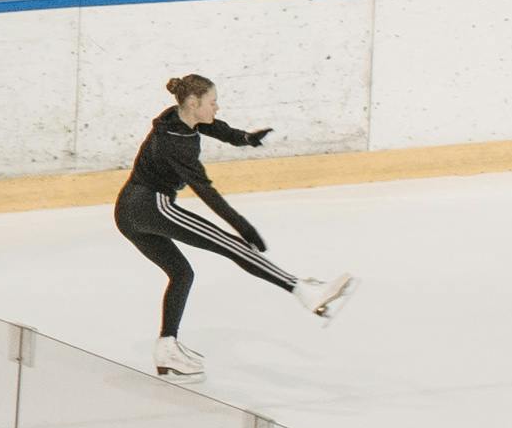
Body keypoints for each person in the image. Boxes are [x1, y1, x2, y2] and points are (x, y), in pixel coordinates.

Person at [117, 76, 352, 380]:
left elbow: (216, 127)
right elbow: (205, 190)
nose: (217, 106)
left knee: (181, 273)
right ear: (193, 103)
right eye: (212, 102)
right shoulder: (174, 143)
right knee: (232, 244)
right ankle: (303, 290)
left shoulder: (180, 119)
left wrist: (246, 139)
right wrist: (242, 226)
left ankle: (167, 348)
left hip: (130, 208)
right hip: (150, 205)